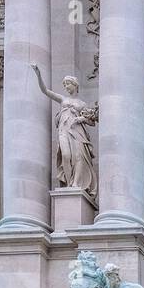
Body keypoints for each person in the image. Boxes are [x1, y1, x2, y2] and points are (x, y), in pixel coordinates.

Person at [31, 66, 98, 198]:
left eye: (68, 84)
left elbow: (92, 122)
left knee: (79, 157)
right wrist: (38, 74)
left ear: (75, 85)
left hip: (78, 132)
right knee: (66, 155)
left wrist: (81, 118)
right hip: (64, 131)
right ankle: (68, 183)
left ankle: (75, 184)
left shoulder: (82, 104)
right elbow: (45, 91)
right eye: (65, 84)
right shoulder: (63, 99)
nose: (66, 86)